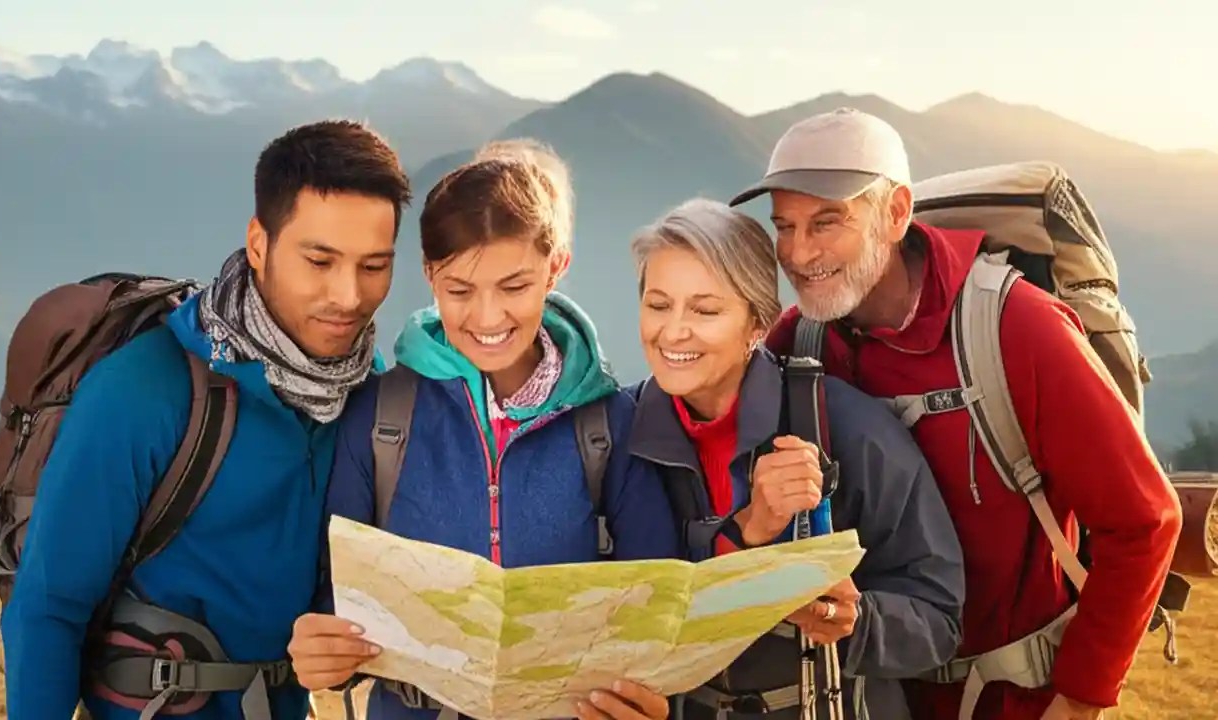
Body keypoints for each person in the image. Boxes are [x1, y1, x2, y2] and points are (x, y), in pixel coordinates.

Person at [732, 108, 1183, 720]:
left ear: (895, 214)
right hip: (876, 697)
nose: (797, 252)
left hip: (1019, 701)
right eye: (784, 226)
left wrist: (1080, 699)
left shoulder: (1016, 329)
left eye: (826, 222)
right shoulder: (800, 345)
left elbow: (1144, 520)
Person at [0, 119, 409, 720]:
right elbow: (48, 607)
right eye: (319, 261)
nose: (348, 296)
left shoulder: (365, 385)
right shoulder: (144, 389)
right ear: (259, 243)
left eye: (373, 266)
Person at [285, 139, 681, 720]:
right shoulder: (380, 417)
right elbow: (333, 596)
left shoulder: (609, 425)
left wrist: (648, 704)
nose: (488, 317)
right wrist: (319, 648)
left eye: (515, 286)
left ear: (557, 267)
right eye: (460, 290)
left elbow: (658, 617)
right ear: (428, 274)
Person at [626, 197, 965, 719]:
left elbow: (939, 615)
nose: (673, 331)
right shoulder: (615, 433)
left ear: (758, 325)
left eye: (705, 310)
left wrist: (860, 618)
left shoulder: (846, 431)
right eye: (657, 304)